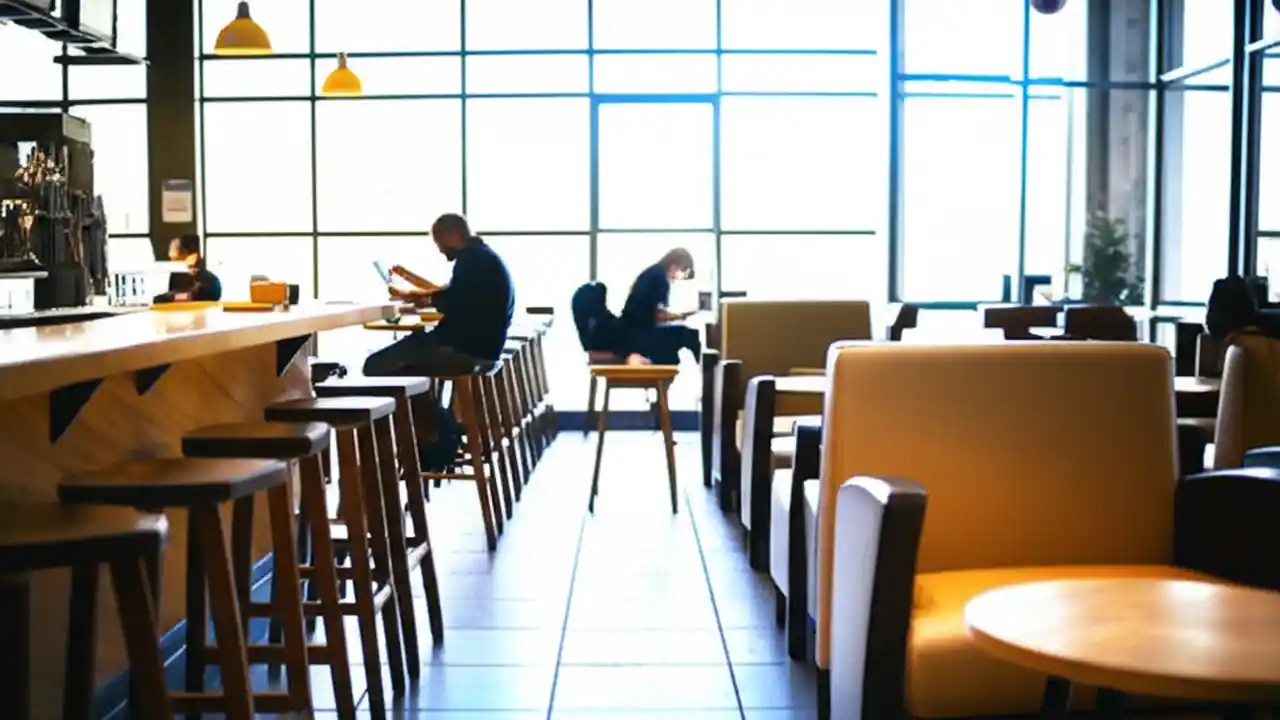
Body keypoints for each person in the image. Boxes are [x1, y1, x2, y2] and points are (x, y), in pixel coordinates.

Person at [363, 213, 515, 471]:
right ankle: (430, 428)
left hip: (464, 349)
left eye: (439, 243)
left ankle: (424, 438)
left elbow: (451, 299)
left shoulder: (471, 261)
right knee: (413, 363)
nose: (441, 250)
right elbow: (455, 296)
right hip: (483, 348)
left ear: (452, 235)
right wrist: (423, 297)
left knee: (374, 365)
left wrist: (421, 298)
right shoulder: (484, 257)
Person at [618, 248, 702, 365]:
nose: (678, 278)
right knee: (690, 336)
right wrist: (682, 315)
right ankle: (708, 380)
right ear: (675, 266)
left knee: (673, 346)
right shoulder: (661, 278)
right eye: (682, 273)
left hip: (629, 332)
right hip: (639, 335)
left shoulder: (652, 273)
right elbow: (659, 315)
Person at [153, 234, 222, 303]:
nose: (174, 261)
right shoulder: (176, 275)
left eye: (178, 258)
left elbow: (187, 296)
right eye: (173, 259)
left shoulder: (212, 282)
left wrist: (171, 297)